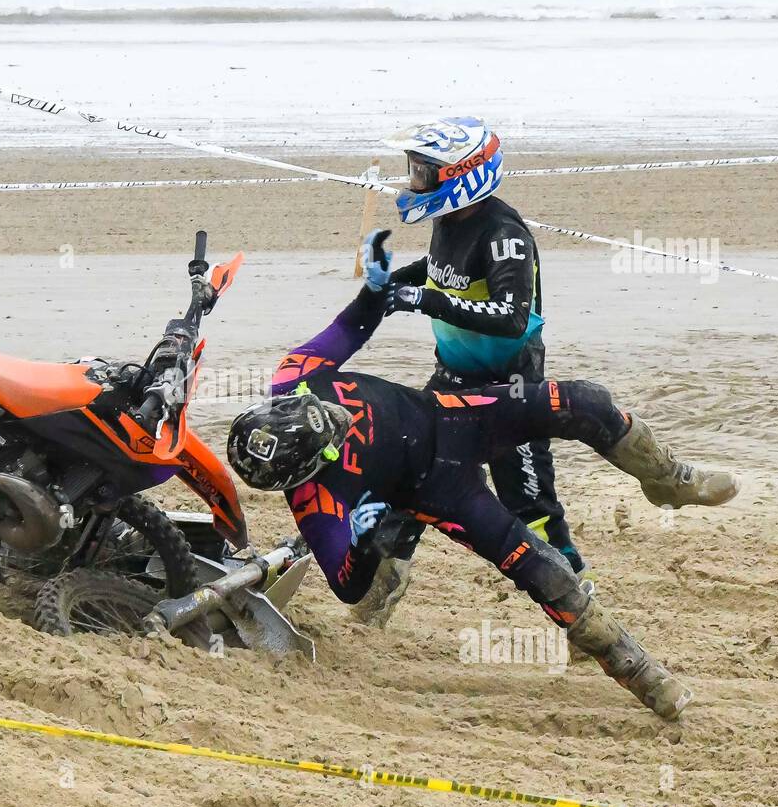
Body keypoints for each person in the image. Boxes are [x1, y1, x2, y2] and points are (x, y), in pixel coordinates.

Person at [225, 282, 739, 720]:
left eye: (321, 409)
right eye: (332, 435)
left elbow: (354, 325)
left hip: (453, 416)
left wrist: (382, 284)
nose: (341, 419)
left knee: (584, 401)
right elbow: (346, 585)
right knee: (547, 572)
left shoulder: (293, 377)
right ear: (310, 470)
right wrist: (368, 538)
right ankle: (639, 671)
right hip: (441, 494)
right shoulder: (313, 502)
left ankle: (668, 479)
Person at [361, 116, 586, 582]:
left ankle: (579, 597)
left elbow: (511, 318)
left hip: (510, 387)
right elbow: (442, 266)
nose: (413, 182)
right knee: (410, 471)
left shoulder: (506, 236)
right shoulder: (449, 219)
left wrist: (424, 299)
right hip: (451, 376)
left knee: (530, 506)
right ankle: (380, 589)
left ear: (462, 175)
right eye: (414, 169)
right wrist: (393, 280)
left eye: (423, 173)